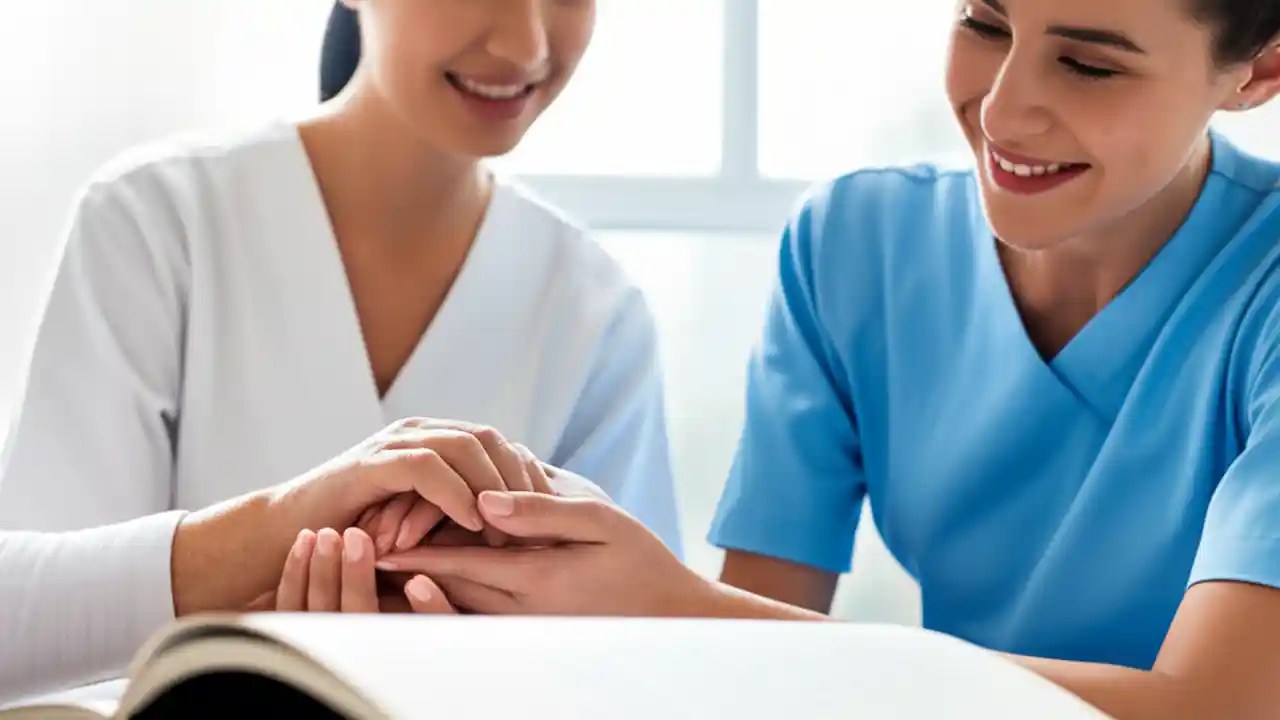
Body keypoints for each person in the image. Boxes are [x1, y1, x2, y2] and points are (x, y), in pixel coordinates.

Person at [368, 0, 1280, 716]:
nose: (1002, 107)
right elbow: (756, 671)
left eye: (1087, 63)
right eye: (983, 22)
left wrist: (673, 604)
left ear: (1257, 70)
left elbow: (1217, 710)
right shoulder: (855, 247)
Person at [0, 0, 679, 693]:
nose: (523, 46)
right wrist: (266, 539)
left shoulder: (596, 312)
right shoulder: (156, 221)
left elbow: (639, 668)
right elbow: (22, 624)